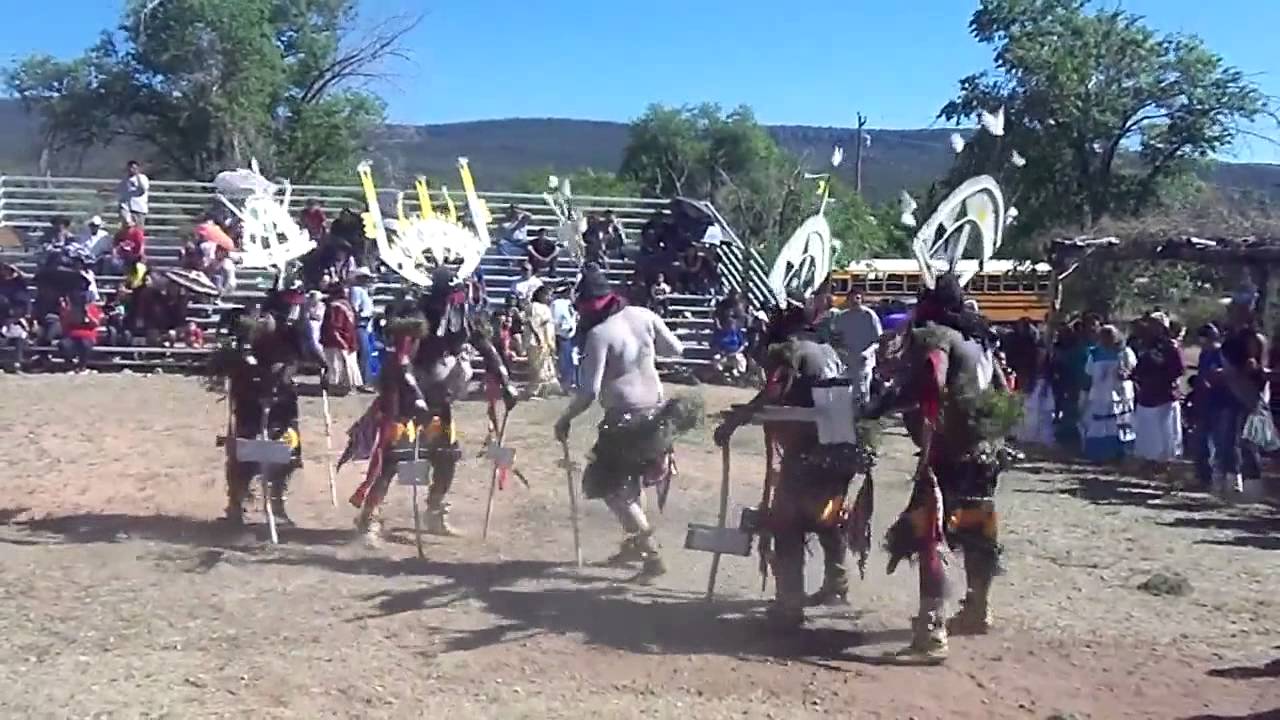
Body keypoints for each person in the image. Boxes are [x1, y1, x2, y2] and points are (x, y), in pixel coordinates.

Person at [865, 274, 1015, 661]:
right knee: (978, 530)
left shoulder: (939, 337)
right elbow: (1002, 390)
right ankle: (978, 609)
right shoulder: (980, 341)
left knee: (929, 532)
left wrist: (883, 405)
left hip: (949, 454)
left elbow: (933, 376)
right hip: (986, 452)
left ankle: (933, 629)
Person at [714, 299, 872, 625]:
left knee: (788, 522)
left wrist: (737, 419)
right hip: (841, 446)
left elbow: (774, 391)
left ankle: (789, 603)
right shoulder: (827, 351)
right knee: (827, 515)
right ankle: (836, 584)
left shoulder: (791, 350)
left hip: (808, 450)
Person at [350, 267, 518, 539]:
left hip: (439, 397)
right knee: (392, 458)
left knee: (446, 456)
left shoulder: (464, 315)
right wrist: (415, 395)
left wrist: (505, 380)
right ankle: (369, 516)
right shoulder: (416, 316)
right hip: (406, 398)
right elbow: (402, 362)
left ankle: (435, 512)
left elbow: (485, 346)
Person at [554, 265, 686, 581]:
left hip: (627, 422)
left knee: (611, 489)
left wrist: (565, 419)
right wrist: (643, 357)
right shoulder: (643, 315)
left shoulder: (600, 335)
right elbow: (677, 349)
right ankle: (633, 547)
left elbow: (588, 392)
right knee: (631, 484)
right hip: (657, 413)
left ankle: (651, 553)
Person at [215, 286, 324, 526]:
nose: (293, 309)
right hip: (250, 395)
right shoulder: (259, 322)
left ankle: (277, 502)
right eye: (289, 304)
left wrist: (319, 366)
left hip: (283, 397)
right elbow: (239, 353)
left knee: (287, 447)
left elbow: (307, 354)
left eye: (297, 304)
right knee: (246, 449)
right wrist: (255, 373)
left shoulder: (298, 326)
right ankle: (236, 502)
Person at [1131, 313, 1185, 469]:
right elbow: (1140, 366)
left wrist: (1161, 375)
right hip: (1147, 394)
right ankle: (1149, 460)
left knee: (1165, 432)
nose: (1151, 328)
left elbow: (1179, 369)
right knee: (1148, 430)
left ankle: (1165, 463)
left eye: (1155, 325)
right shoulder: (1146, 345)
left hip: (1164, 396)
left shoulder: (1170, 346)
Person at [1081, 324, 1137, 463]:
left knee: (1119, 422)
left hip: (1119, 392)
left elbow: (1132, 369)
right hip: (1100, 392)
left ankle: (1120, 452)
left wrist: (1125, 373)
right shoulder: (1094, 353)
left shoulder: (1124, 352)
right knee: (1099, 421)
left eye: (1110, 336)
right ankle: (1099, 453)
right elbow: (1089, 372)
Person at [831, 290, 883, 403]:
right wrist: (840, 351)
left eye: (857, 298)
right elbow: (836, 338)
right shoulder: (842, 316)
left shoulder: (870, 316)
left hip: (864, 360)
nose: (854, 301)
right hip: (847, 360)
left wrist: (867, 353)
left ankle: (863, 413)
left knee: (863, 389)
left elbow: (878, 341)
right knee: (847, 392)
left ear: (862, 299)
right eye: (851, 299)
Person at [320, 281, 362, 394]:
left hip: (343, 340)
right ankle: (336, 388)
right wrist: (341, 340)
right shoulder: (338, 306)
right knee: (337, 365)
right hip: (339, 341)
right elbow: (334, 326)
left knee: (341, 365)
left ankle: (343, 387)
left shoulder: (340, 305)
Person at [523, 285, 560, 398]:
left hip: (546, 341)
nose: (550, 298)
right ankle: (532, 392)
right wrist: (539, 338)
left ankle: (543, 391)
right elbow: (532, 323)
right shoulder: (534, 306)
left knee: (546, 366)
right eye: (548, 295)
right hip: (536, 341)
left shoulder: (546, 308)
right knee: (538, 367)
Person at [58, 292, 103, 373]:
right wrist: (70, 315)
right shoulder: (71, 309)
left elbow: (96, 324)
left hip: (87, 336)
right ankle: (70, 365)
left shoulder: (93, 308)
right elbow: (64, 324)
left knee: (84, 344)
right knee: (63, 344)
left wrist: (87, 314)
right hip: (72, 335)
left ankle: (82, 366)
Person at [348, 267, 377, 390]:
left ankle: (365, 381)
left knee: (367, 353)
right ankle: (364, 382)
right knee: (364, 353)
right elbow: (354, 308)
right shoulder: (356, 290)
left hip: (366, 324)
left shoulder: (363, 291)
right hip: (361, 324)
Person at [550, 283, 578, 390]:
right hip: (562, 335)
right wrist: (564, 328)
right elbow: (557, 320)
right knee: (564, 361)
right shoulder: (557, 304)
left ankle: (571, 381)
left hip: (570, 335)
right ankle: (565, 383)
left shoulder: (569, 303)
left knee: (571, 359)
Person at [117, 161, 150, 228]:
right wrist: (106, 189)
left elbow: (142, 190)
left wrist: (137, 177)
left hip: (139, 209)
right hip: (128, 209)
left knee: (138, 231)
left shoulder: (143, 178)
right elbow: (119, 189)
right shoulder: (126, 179)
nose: (131, 170)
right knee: (127, 230)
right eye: (130, 168)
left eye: (134, 168)